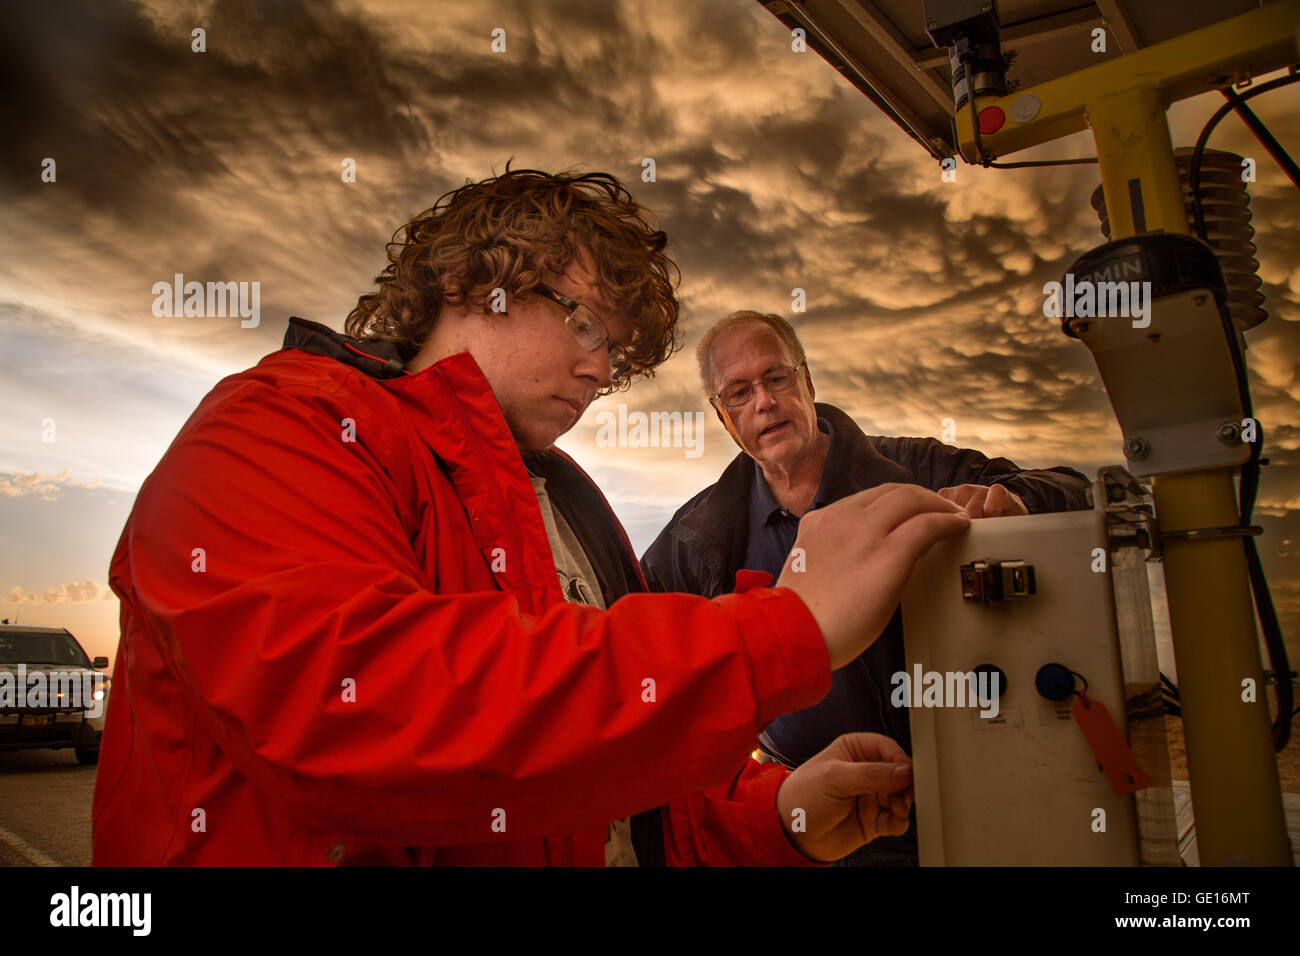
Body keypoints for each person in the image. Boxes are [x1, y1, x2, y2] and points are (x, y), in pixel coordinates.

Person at [92, 170, 973, 866]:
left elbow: (609, 806)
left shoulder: (572, 506)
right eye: (585, 322)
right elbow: (354, 709)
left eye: (617, 355)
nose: (599, 370)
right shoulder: (283, 424)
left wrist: (779, 818)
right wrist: (784, 631)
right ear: (471, 280)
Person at [640, 310, 1092, 866]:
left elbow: (1073, 487)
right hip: (819, 819)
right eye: (739, 391)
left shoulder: (916, 468)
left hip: (961, 789)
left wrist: (1016, 506)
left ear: (806, 381)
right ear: (721, 414)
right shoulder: (697, 535)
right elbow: (638, 635)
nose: (764, 401)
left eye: (777, 378)